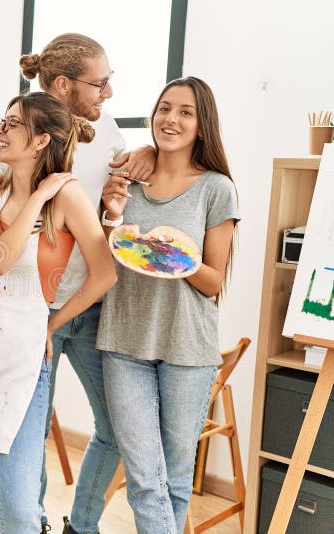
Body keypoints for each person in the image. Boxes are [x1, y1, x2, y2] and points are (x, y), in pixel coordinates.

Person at [0, 33, 155, 534]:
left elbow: (113, 212)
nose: (108, 93)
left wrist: (145, 154)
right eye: (99, 84)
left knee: (117, 427)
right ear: (62, 84)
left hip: (89, 303)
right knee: (31, 433)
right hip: (30, 310)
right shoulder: (12, 137)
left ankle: (80, 526)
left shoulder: (107, 133)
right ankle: (36, 522)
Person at [0, 91, 117, 533]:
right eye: (2, 121)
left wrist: (53, 324)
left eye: (12, 123)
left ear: (40, 141)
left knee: (19, 503)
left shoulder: (68, 197)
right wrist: (37, 198)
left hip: (24, 357)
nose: (0, 130)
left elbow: (104, 274)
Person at [98, 76, 239, 533]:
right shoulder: (127, 179)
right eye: (164, 108)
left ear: (202, 125)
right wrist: (111, 217)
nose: (171, 119)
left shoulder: (216, 189)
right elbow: (103, 258)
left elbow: (212, 282)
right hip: (123, 342)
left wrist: (177, 256)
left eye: (185, 112)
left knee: (175, 480)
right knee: (144, 479)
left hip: (187, 348)